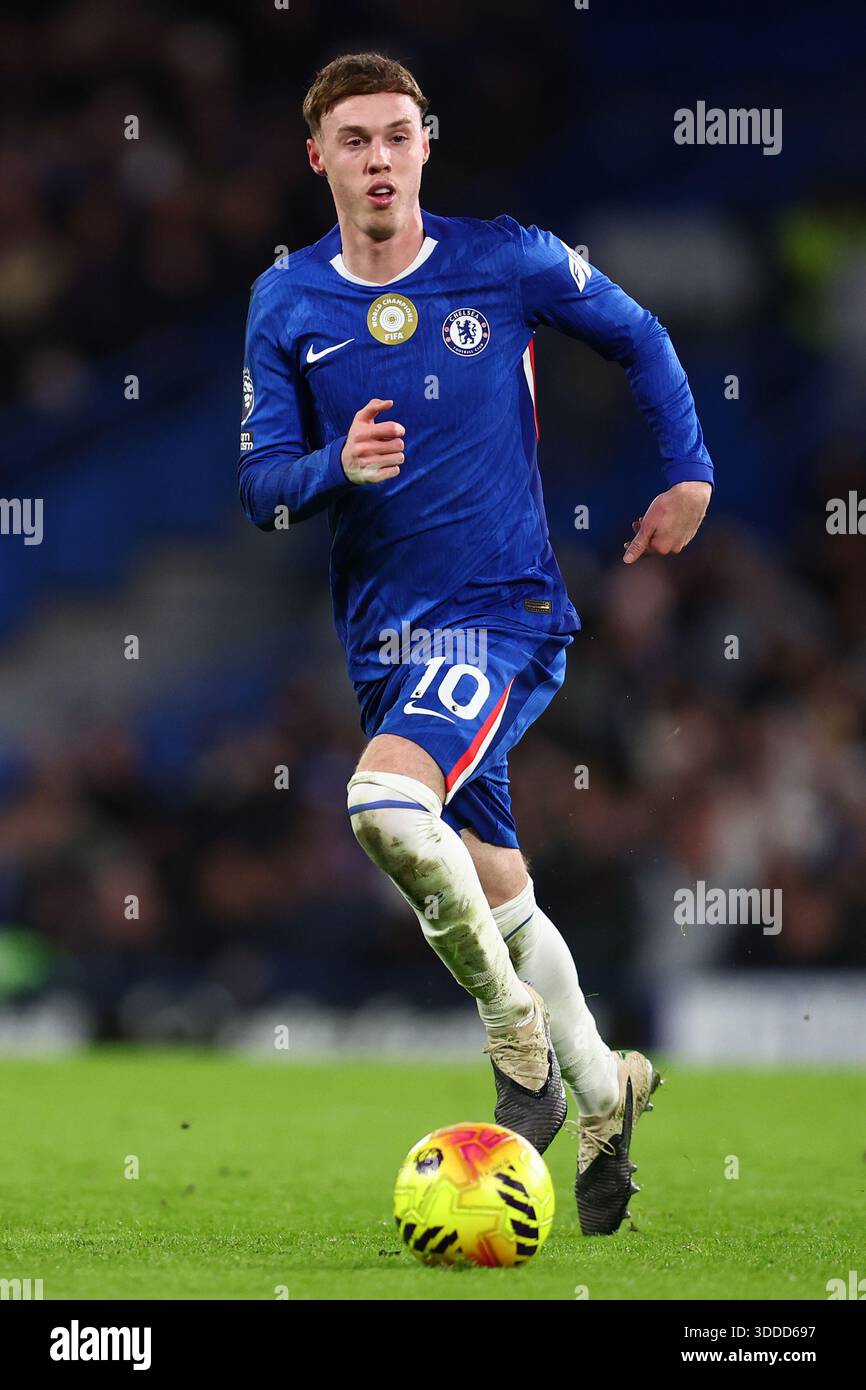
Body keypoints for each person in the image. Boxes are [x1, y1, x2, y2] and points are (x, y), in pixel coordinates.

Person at [238, 51, 713, 1234]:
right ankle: (604, 1090)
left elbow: (640, 335)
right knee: (497, 889)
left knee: (381, 809)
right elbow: (258, 488)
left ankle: (517, 1043)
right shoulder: (286, 300)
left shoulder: (503, 256)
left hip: (501, 611)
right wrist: (329, 468)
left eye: (397, 134)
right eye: (354, 139)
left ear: (426, 144)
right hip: (379, 640)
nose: (379, 157)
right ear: (319, 158)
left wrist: (688, 470)